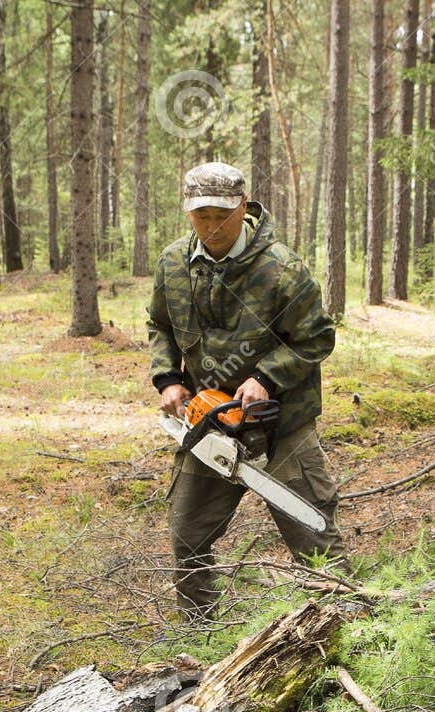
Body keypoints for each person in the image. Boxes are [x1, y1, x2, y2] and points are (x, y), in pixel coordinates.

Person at [146, 161, 347, 617]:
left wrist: (266, 377)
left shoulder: (282, 269)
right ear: (188, 213)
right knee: (187, 534)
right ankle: (198, 639)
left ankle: (349, 631)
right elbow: (159, 325)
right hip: (210, 425)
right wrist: (169, 378)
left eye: (222, 215)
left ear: (243, 207)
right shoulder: (174, 263)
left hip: (282, 428)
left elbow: (317, 337)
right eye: (202, 217)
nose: (212, 226)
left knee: (315, 539)